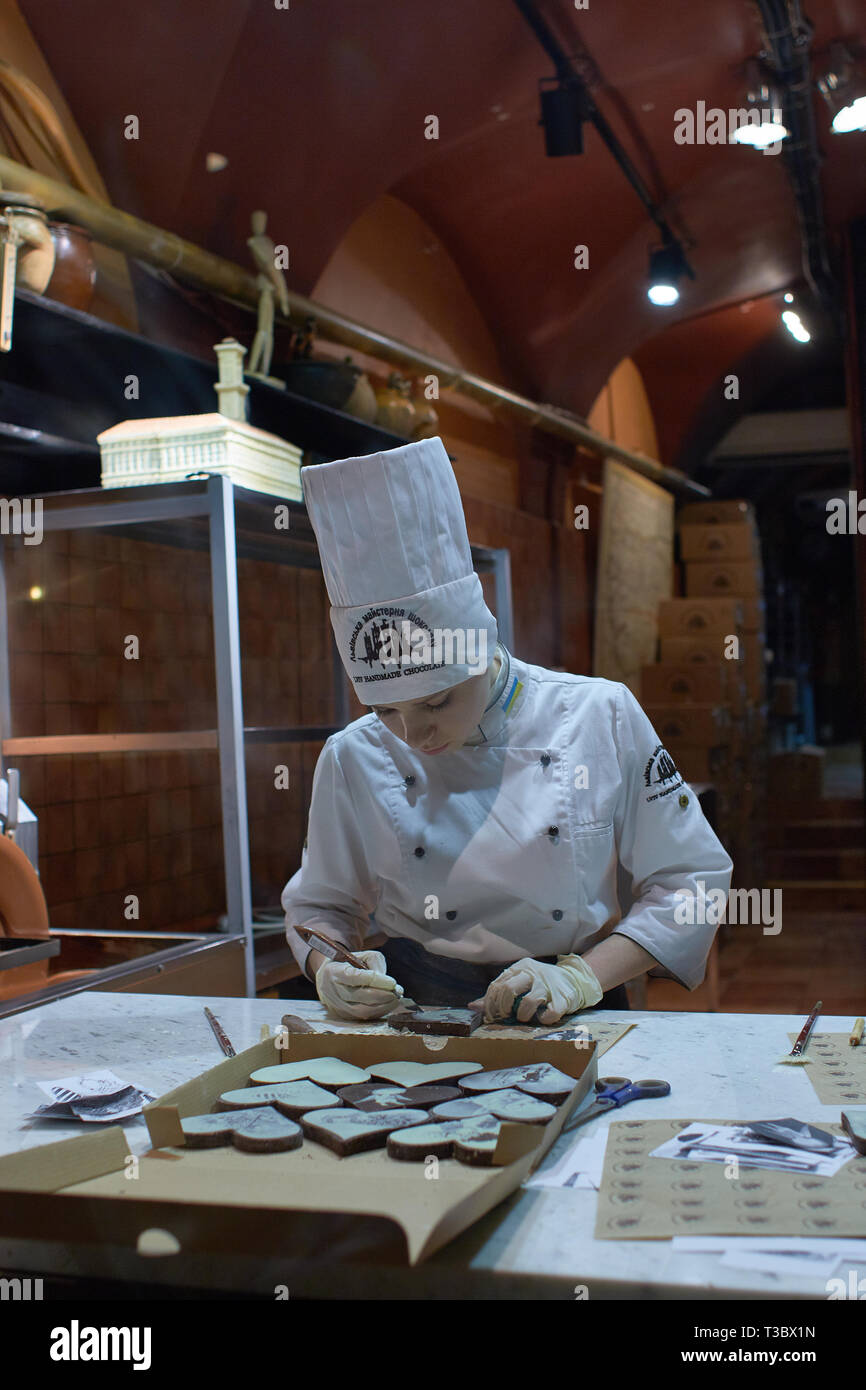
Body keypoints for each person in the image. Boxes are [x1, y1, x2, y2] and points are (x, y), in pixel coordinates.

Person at [282, 437, 733, 1024]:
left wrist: (581, 977)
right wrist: (332, 968)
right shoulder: (351, 755)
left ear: (482, 650)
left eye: (437, 702)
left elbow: (690, 884)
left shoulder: (601, 715)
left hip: (573, 1006)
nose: (415, 736)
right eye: (387, 712)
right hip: (415, 1015)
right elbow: (321, 906)